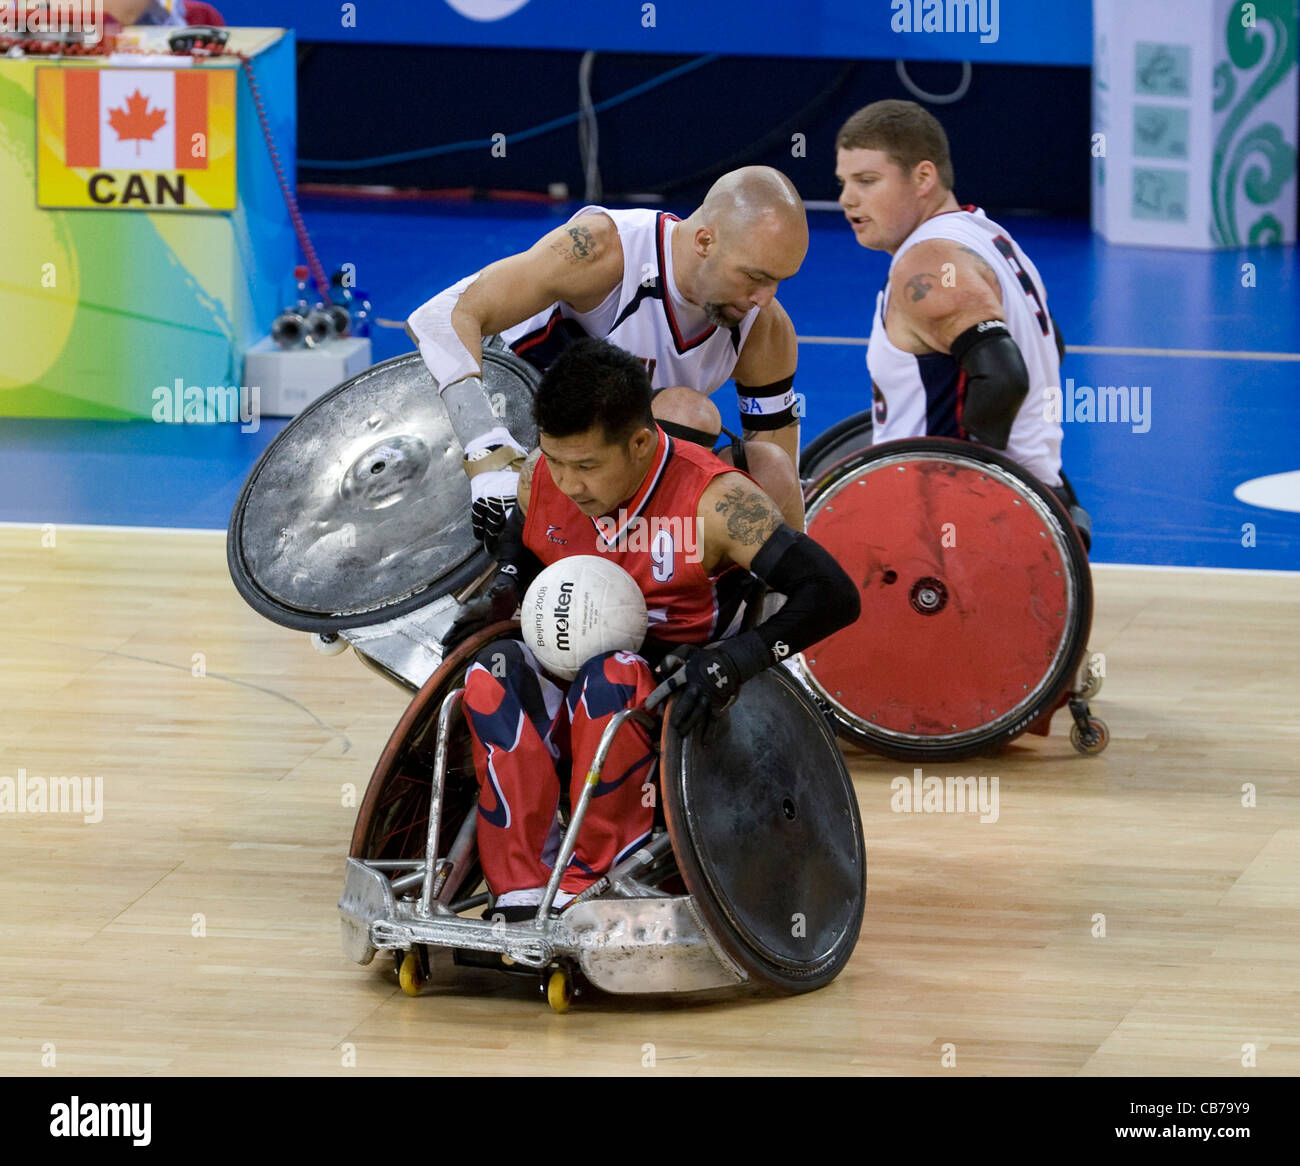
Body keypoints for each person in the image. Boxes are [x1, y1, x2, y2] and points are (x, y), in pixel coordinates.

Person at [453, 338, 859, 919]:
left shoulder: (717, 503)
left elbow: (833, 595)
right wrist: (504, 591)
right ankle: (519, 884)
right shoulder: (541, 475)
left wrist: (735, 660)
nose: (568, 484)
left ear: (640, 442)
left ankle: (596, 877)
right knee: (494, 673)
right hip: (570, 659)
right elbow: (522, 540)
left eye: (588, 466)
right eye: (557, 460)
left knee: (611, 676)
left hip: (678, 686)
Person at [405, 165, 810, 547]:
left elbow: (781, 473)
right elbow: (437, 317)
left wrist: (796, 582)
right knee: (684, 416)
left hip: (614, 466)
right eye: (756, 276)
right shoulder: (603, 249)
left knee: (768, 468)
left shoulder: (764, 326)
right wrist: (486, 450)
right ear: (705, 241)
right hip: (518, 434)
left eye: (778, 281)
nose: (765, 298)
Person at [834, 99, 1090, 544]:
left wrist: (971, 494)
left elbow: (1003, 376)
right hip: (1032, 496)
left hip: (953, 525)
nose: (847, 199)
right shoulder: (989, 235)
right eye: (843, 183)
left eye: (867, 181)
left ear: (924, 178)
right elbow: (1053, 348)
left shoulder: (926, 261)